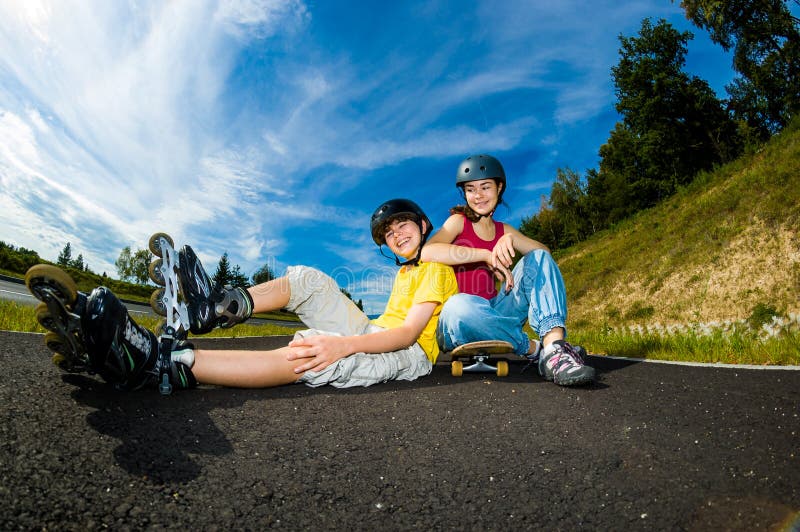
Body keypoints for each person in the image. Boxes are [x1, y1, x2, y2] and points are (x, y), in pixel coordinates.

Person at [56, 198, 458, 391]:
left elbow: (407, 335)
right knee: (309, 280)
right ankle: (210, 307)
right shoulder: (411, 268)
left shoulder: (436, 265)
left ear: (424, 225)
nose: (397, 235)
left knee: (314, 351)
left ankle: (163, 362)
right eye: (389, 234)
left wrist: (343, 347)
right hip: (374, 329)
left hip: (408, 354)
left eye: (403, 225)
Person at [420, 154, 595, 386]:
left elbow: (543, 254)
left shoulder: (505, 230)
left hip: (497, 311)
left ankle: (554, 349)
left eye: (485, 187)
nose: (478, 195)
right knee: (459, 305)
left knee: (538, 257)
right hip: (459, 319)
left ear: (499, 187)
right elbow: (427, 252)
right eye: (471, 189)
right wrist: (485, 255)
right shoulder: (458, 222)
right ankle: (533, 349)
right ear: (464, 193)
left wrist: (511, 238)